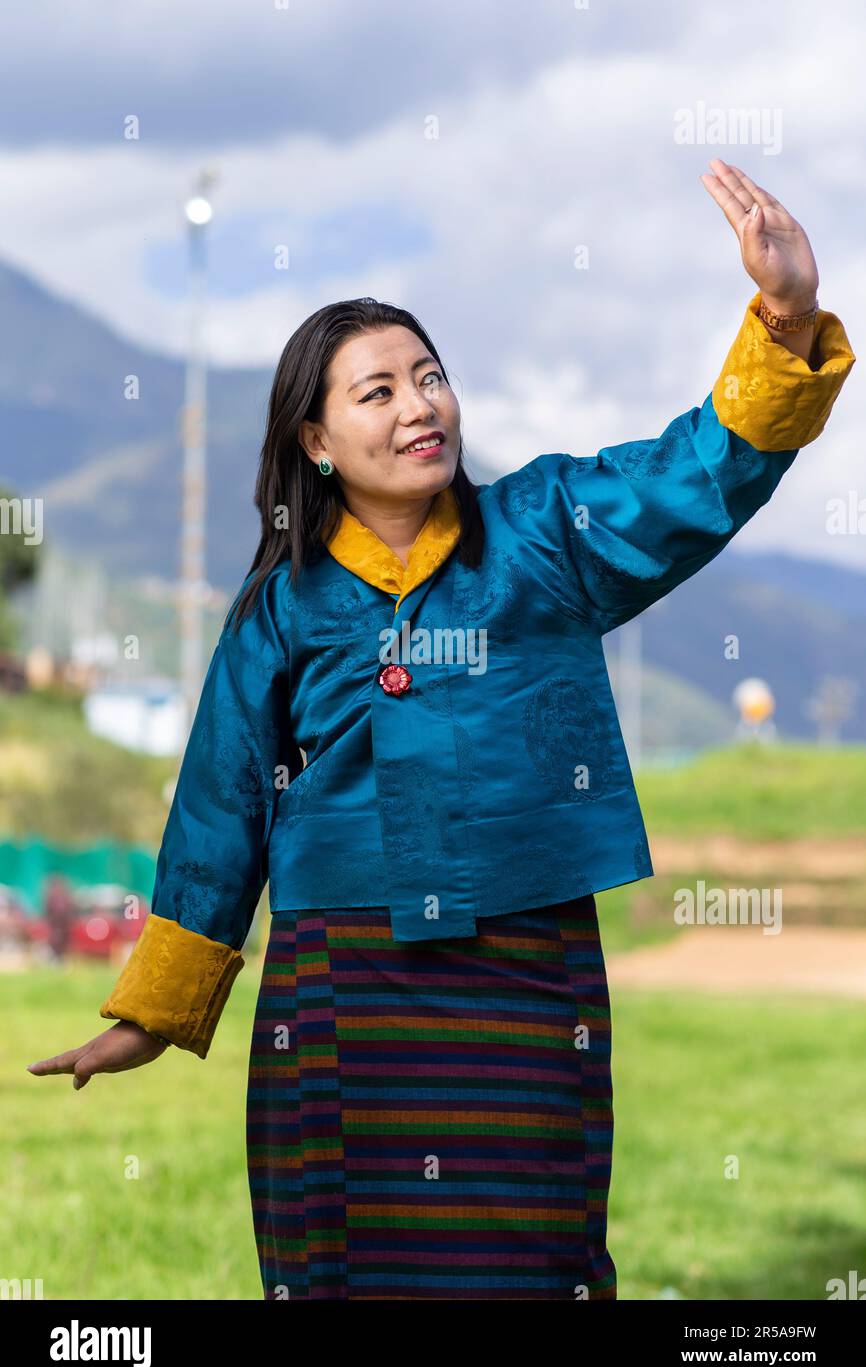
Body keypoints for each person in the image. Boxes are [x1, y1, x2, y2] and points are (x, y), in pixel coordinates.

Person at [28, 159, 855, 1300]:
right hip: (340, 987)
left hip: (527, 972)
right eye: (377, 391)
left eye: (430, 378)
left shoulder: (546, 530)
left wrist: (785, 316)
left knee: (531, 1261)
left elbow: (689, 477)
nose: (419, 406)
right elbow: (224, 802)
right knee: (347, 1267)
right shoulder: (281, 605)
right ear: (315, 442)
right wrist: (159, 1009)